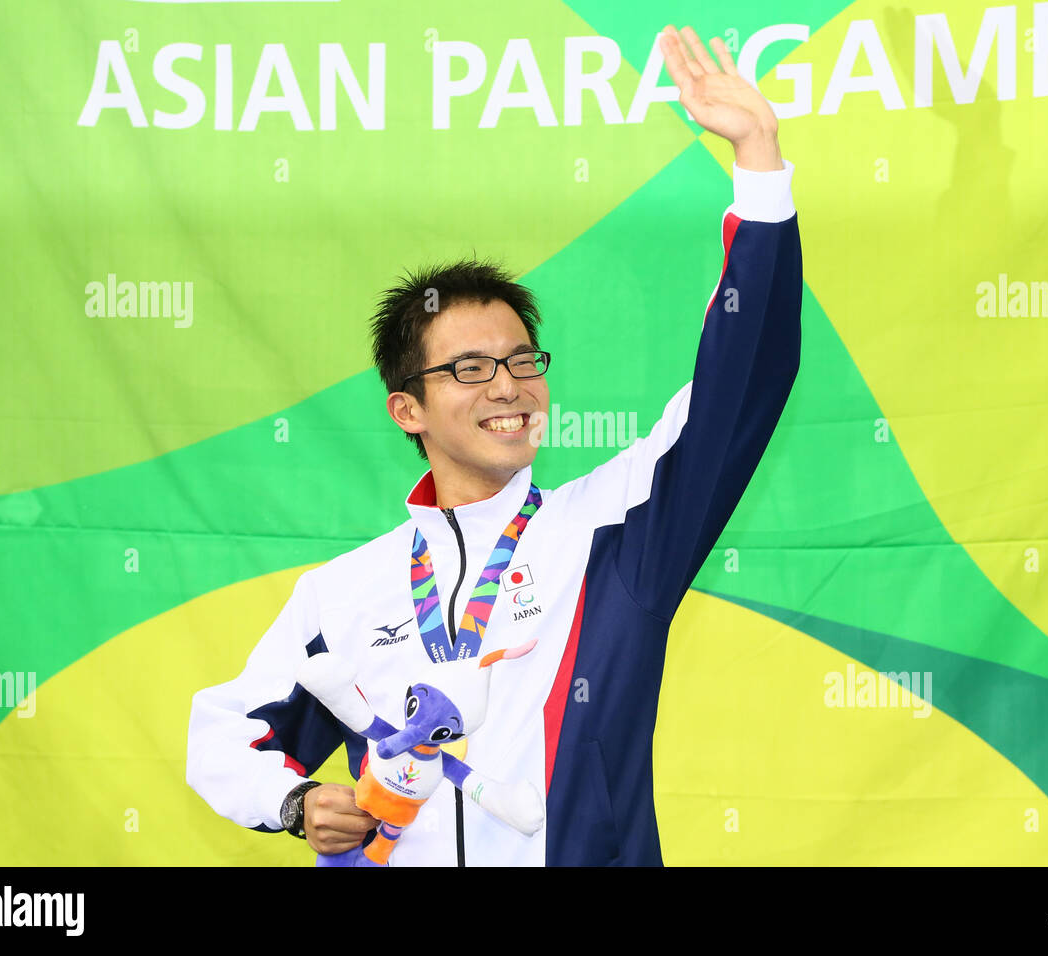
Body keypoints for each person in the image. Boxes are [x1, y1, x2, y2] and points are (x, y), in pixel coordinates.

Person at [186, 23, 802, 866]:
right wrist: (296, 802)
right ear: (409, 410)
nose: (508, 386)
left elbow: (740, 386)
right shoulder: (343, 593)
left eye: (520, 360)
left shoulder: (614, 533)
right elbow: (225, 732)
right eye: (470, 368)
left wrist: (760, 164)